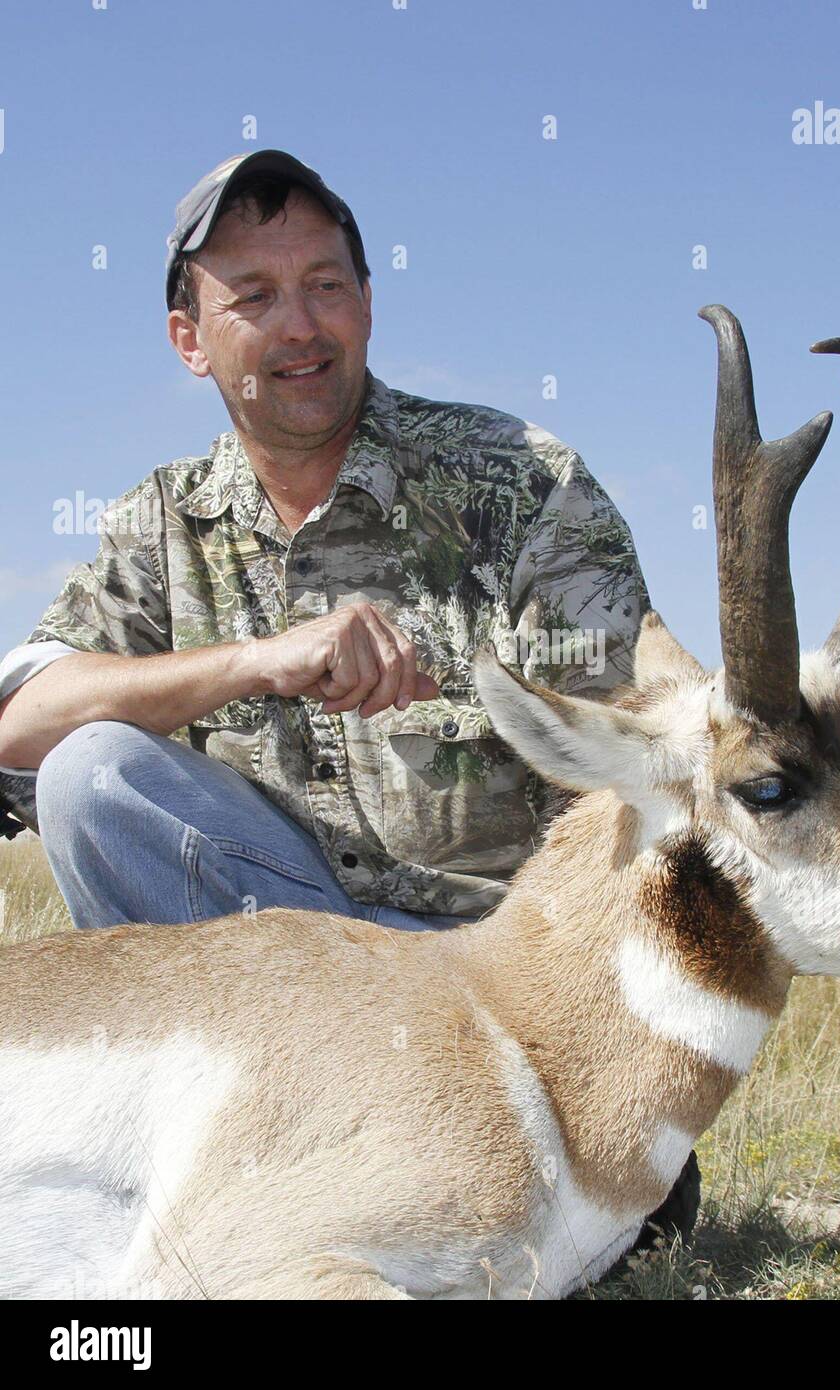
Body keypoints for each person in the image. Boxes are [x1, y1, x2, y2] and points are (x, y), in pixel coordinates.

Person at [0, 147, 697, 1246]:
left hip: (489, 993)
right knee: (92, 773)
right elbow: (22, 720)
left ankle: (493, 1157)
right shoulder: (159, 524)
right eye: (256, 297)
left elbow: (643, 710)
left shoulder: (515, 477)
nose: (302, 328)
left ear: (368, 303)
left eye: (326, 285)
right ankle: (234, 1158)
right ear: (190, 339)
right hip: (282, 983)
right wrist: (257, 659)